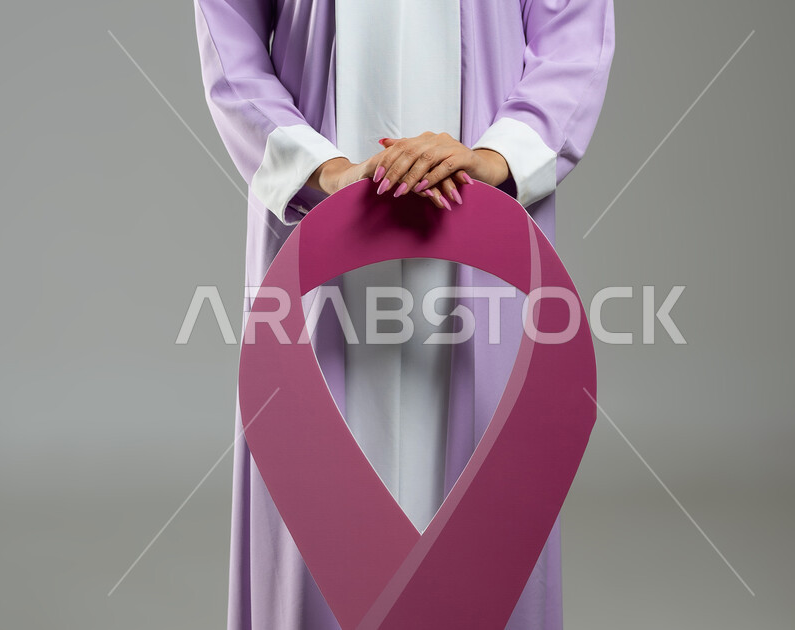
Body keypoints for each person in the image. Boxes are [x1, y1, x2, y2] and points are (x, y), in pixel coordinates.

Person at [194, 1, 614, 627]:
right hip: (323, 215)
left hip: (478, 222)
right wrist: (322, 169)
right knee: (313, 492)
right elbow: (231, 38)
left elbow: (574, 35)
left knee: (488, 496)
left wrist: (496, 156)